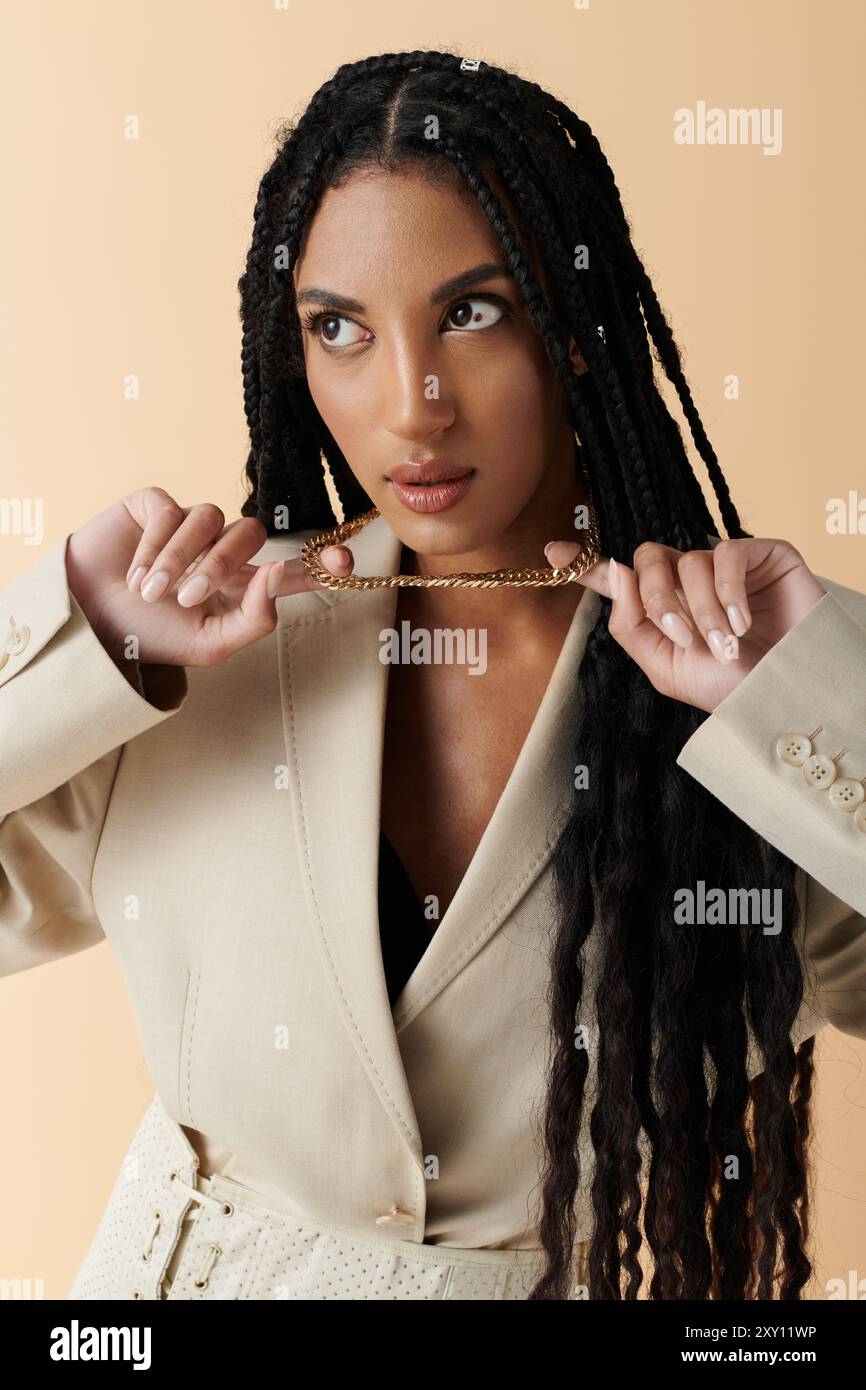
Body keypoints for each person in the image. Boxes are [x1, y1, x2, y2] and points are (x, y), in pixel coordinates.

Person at [2, 48, 865, 1302]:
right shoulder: (185, 660)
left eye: (471, 311)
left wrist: (816, 698)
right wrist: (69, 642)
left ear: (575, 326)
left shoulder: (754, 697)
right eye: (338, 327)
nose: (411, 408)